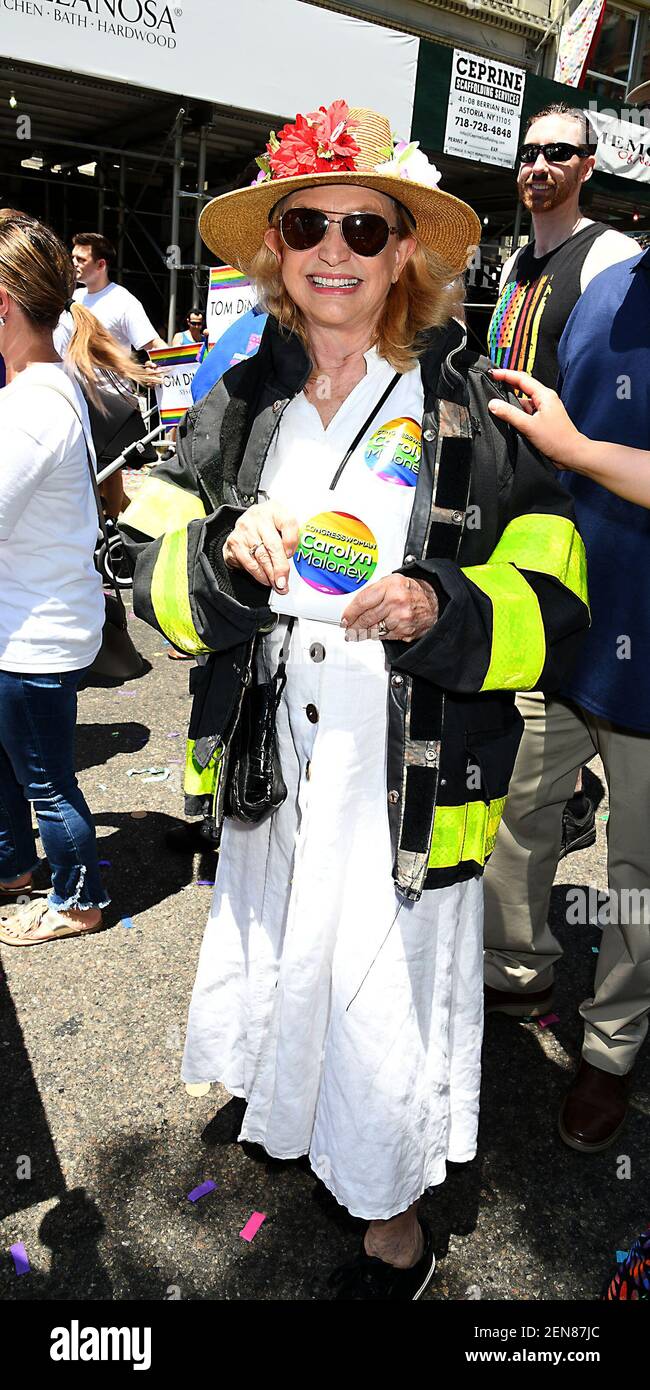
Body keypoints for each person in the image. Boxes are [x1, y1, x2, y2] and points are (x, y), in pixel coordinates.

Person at [121, 100, 588, 1299]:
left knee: (379, 986)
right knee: (280, 945)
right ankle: (287, 1109)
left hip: (404, 765)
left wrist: (443, 608)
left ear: (405, 256)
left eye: (364, 229)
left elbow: (555, 593)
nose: (334, 250)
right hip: (271, 748)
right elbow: (154, 547)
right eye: (307, 224)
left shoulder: (472, 411)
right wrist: (225, 549)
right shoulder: (238, 394)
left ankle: (390, 1212)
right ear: (276, 248)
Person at [483, 243, 650, 1154]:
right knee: (516, 808)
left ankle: (611, 1050)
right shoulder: (609, 286)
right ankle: (516, 971)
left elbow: (576, 445)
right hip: (574, 621)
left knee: (638, 874)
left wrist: (579, 448)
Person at [488, 102, 640, 859]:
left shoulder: (610, 256)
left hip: (587, 505)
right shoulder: (519, 261)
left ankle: (579, 798)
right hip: (519, 503)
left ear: (588, 168)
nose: (539, 165)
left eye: (558, 152)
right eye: (529, 152)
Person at [0, 213, 148, 946]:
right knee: (15, 766)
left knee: (49, 783)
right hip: (29, 622)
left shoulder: (30, 407)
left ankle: (80, 899)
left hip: (34, 635)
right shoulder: (40, 387)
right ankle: (10, 866)